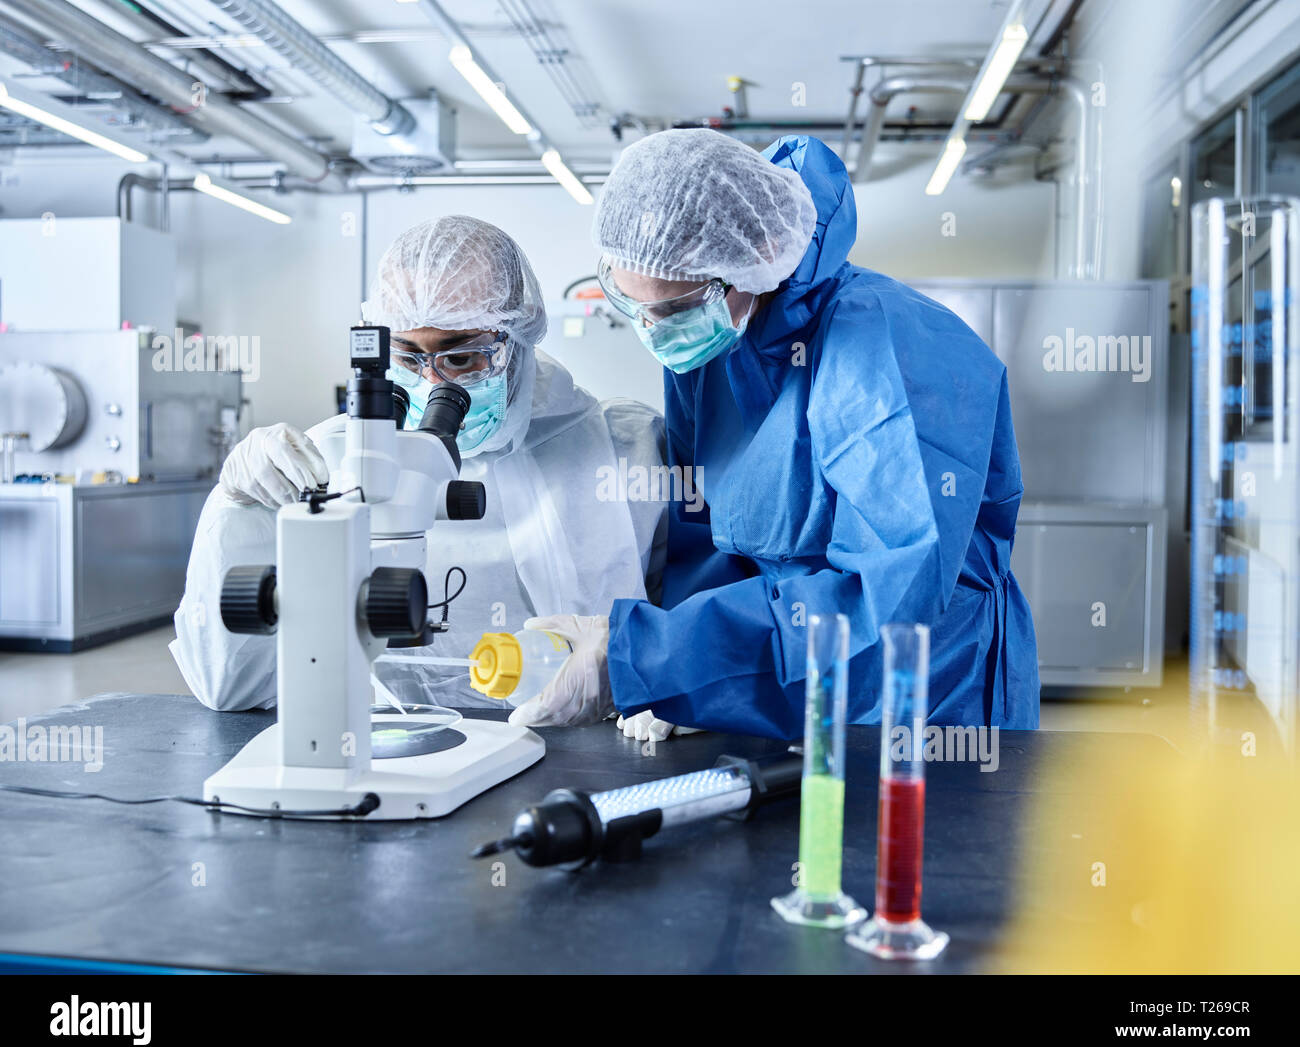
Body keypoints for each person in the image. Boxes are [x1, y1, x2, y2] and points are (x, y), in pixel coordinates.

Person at [508, 129, 1038, 741]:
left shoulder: (886, 347)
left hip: (918, 700)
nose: (656, 332)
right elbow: (707, 538)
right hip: (778, 684)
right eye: (633, 306)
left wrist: (652, 658)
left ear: (755, 257)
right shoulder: (712, 344)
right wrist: (690, 685)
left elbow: (889, 599)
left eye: (674, 309)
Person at [170, 215, 667, 712]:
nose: (433, 385)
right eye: (408, 359)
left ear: (518, 340)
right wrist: (236, 513)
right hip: (394, 753)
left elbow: (684, 636)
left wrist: (670, 690)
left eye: (461, 358)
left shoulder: (626, 450)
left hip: (589, 759)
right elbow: (229, 687)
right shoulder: (332, 460)